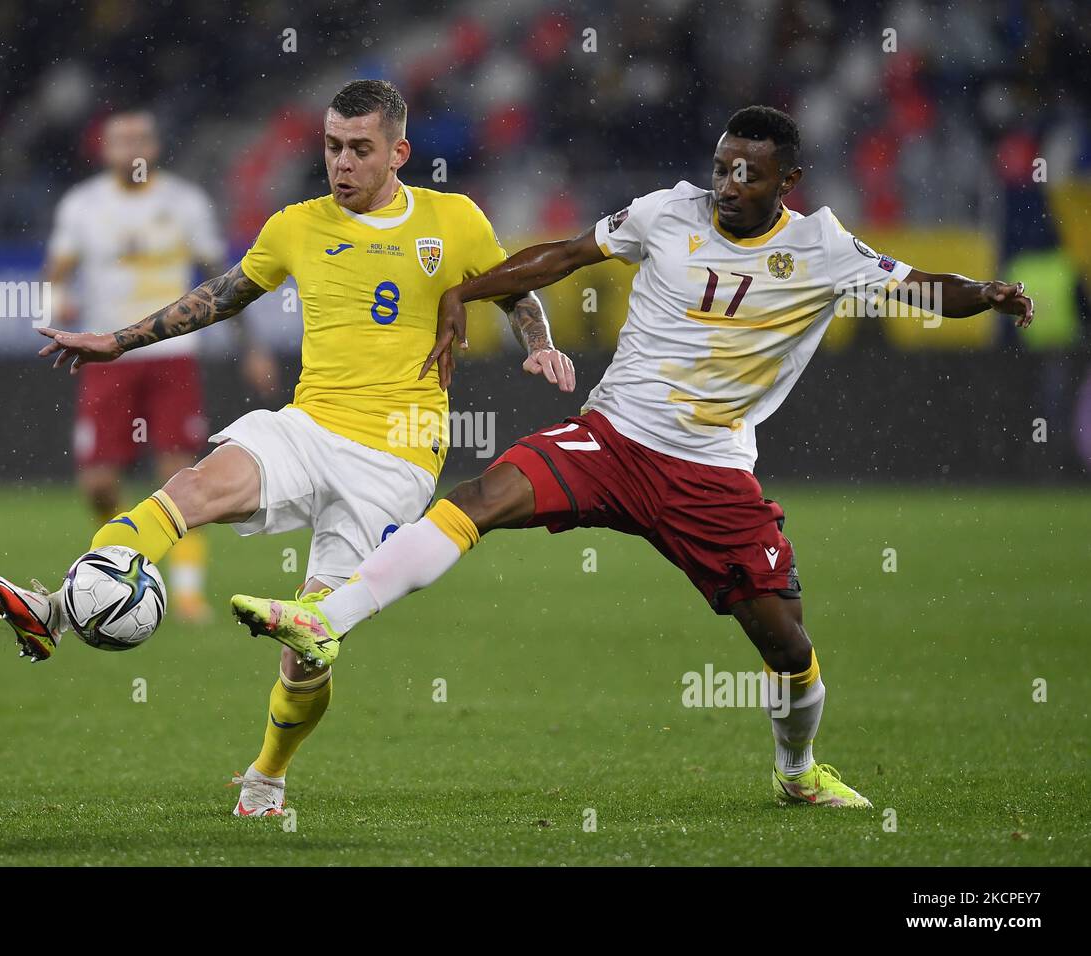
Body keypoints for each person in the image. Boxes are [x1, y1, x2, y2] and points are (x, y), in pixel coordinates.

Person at [231, 106, 1036, 809]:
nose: (727, 184)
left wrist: (988, 292)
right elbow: (565, 256)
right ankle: (325, 620)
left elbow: (919, 287)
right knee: (482, 494)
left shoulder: (824, 250)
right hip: (612, 440)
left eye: (748, 174)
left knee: (787, 646)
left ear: (786, 180)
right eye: (721, 166)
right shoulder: (667, 212)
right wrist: (462, 294)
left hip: (711, 472)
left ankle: (799, 772)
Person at [0, 80, 574, 816]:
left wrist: (540, 344)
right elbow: (223, 294)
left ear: (400, 152)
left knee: (307, 649)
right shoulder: (297, 225)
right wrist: (117, 341)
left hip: (395, 458)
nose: (342, 163)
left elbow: (517, 288)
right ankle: (55, 613)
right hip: (307, 426)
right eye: (332, 147)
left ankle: (266, 776)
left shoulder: (452, 220)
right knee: (191, 489)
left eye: (360, 149)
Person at [45, 109, 277, 622]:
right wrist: (57, 301)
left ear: (154, 147)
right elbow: (57, 271)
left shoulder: (185, 203)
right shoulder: (82, 206)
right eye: (120, 140)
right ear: (103, 150)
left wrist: (253, 348)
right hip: (108, 354)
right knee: (99, 484)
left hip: (172, 354)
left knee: (178, 471)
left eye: (141, 138)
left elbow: (222, 280)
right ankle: (119, 560)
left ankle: (188, 594)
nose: (132, 149)